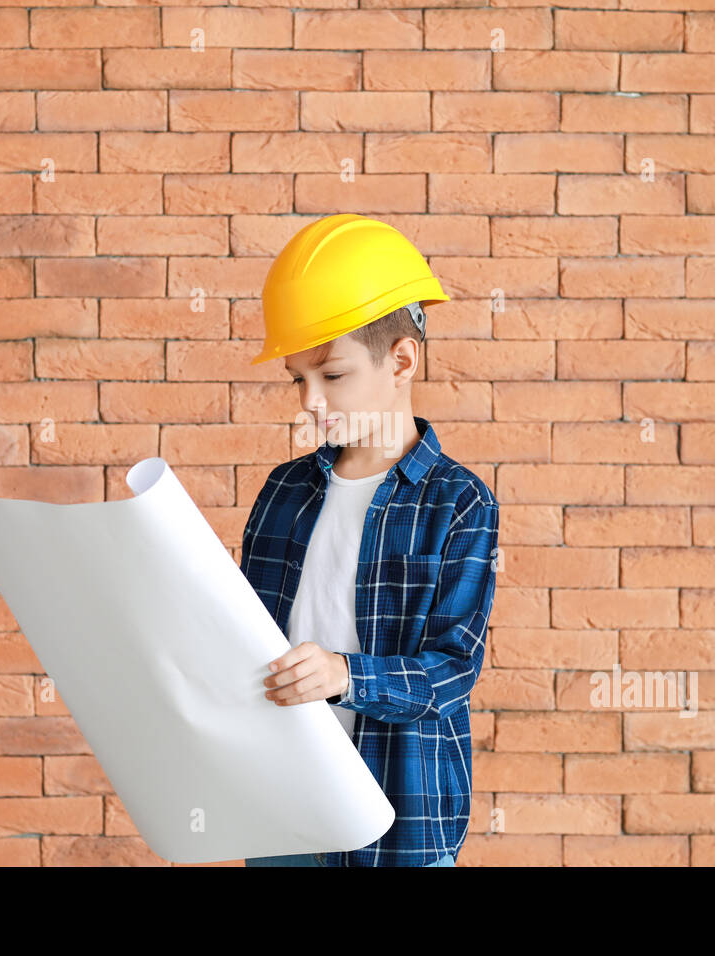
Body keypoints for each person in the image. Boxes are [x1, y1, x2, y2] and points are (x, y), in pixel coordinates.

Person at [239, 214, 500, 867]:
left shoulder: (457, 502)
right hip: (283, 812)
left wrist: (341, 675)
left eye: (332, 375)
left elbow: (451, 671)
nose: (310, 401)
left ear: (401, 361)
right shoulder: (284, 492)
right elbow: (244, 636)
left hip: (400, 826)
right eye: (298, 380)